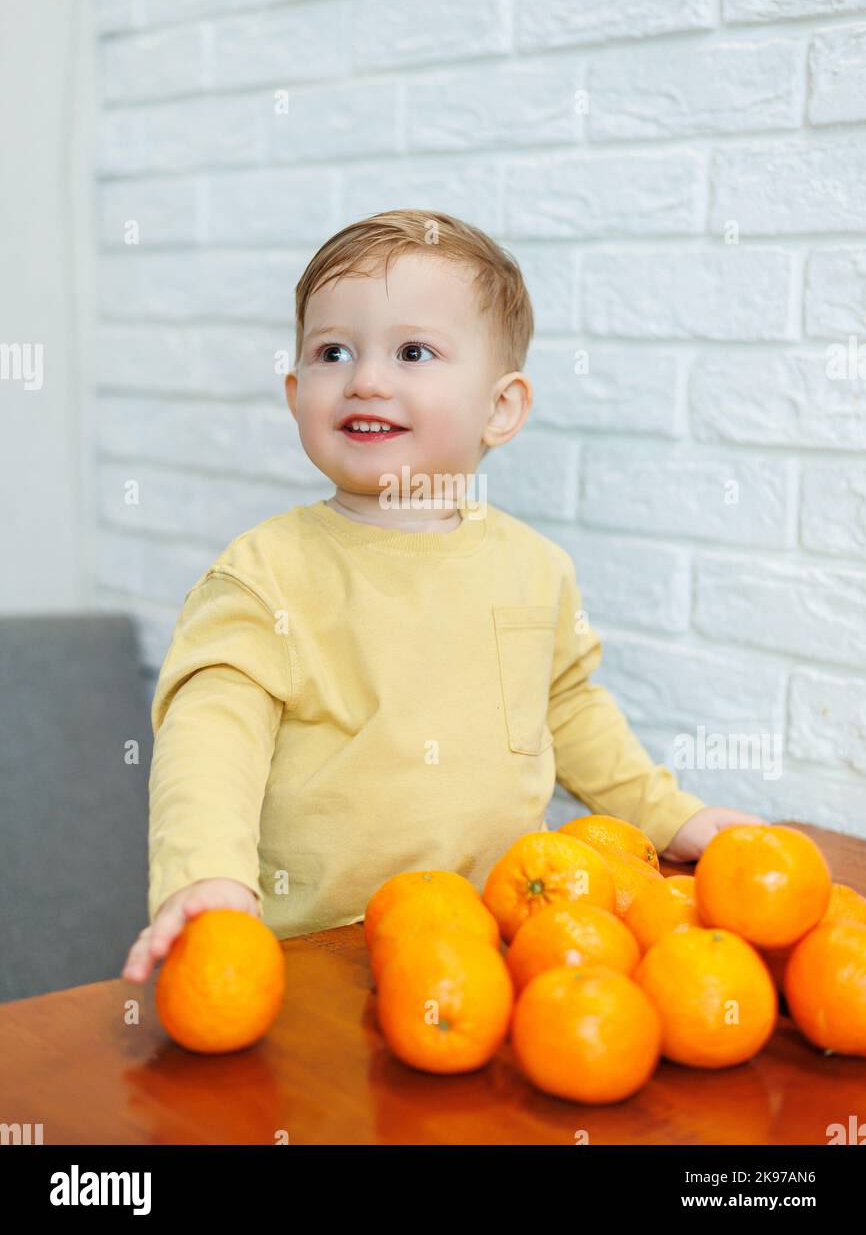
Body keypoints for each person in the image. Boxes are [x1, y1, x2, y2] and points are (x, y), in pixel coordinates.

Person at [122, 209, 763, 983]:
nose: (366, 378)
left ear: (501, 408)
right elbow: (210, 734)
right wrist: (207, 877)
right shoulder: (266, 573)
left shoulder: (535, 567)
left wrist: (671, 817)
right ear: (296, 393)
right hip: (323, 956)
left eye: (413, 351)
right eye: (333, 352)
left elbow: (569, 711)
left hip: (501, 947)